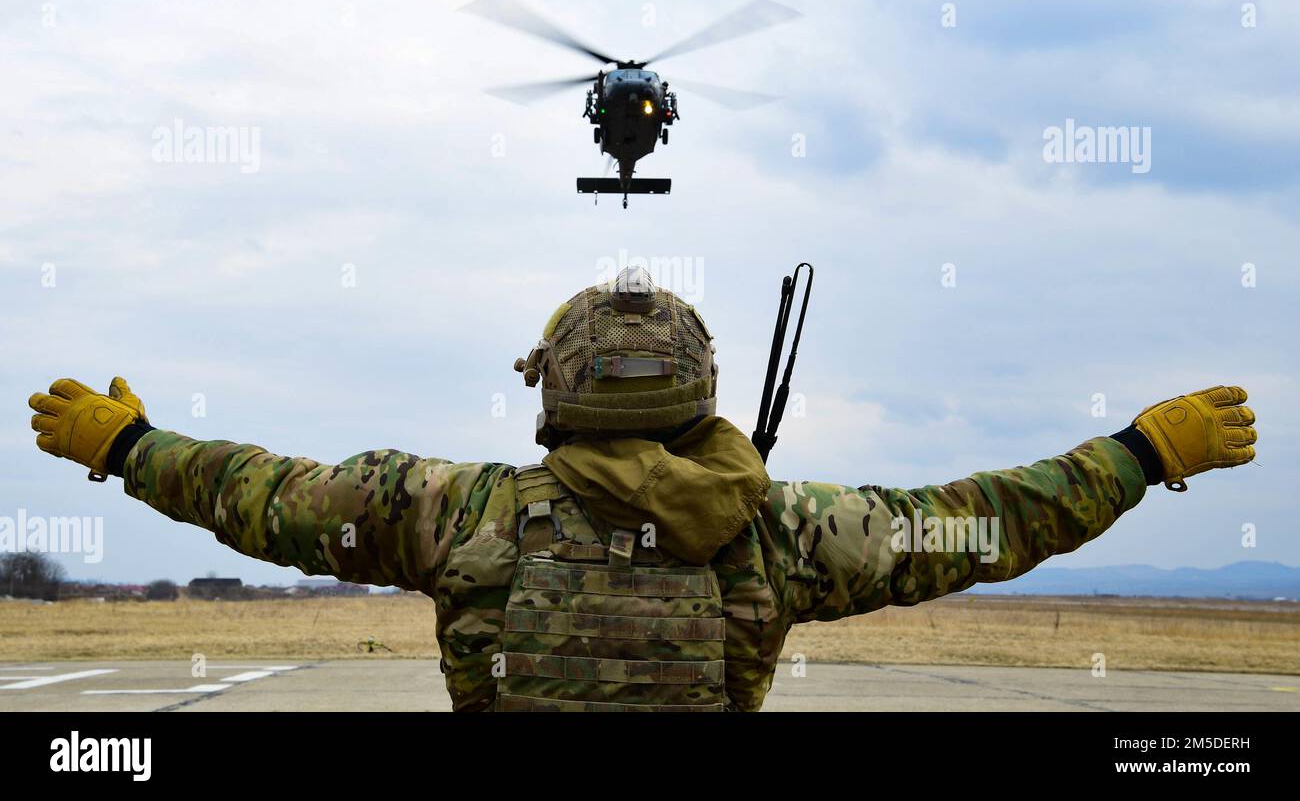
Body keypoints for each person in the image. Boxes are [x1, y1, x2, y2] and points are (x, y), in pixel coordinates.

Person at [26, 267, 1257, 711]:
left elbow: (257, 491)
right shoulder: (789, 531)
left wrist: (128, 445)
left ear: (555, 390)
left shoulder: (450, 510)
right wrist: (1141, 454)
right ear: (702, 391)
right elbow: (991, 516)